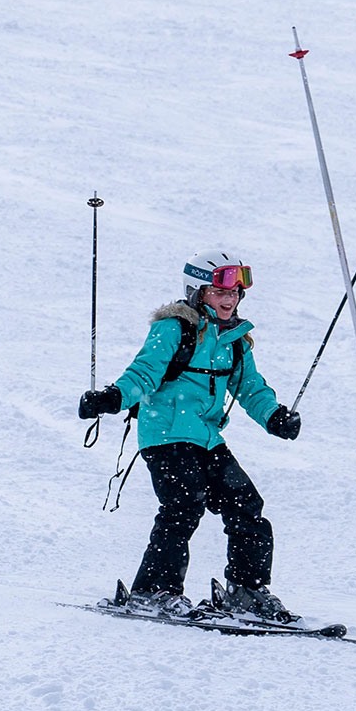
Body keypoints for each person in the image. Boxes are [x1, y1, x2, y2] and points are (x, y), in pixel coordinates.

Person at [78, 249, 302, 622]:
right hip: (166, 435)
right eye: (220, 292)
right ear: (198, 292)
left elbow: (251, 388)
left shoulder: (235, 340)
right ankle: (154, 591)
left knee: (247, 505)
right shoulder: (173, 328)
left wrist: (274, 417)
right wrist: (113, 398)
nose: (230, 299)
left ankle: (246, 591)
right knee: (183, 505)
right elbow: (144, 372)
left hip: (207, 438)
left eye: (235, 293)